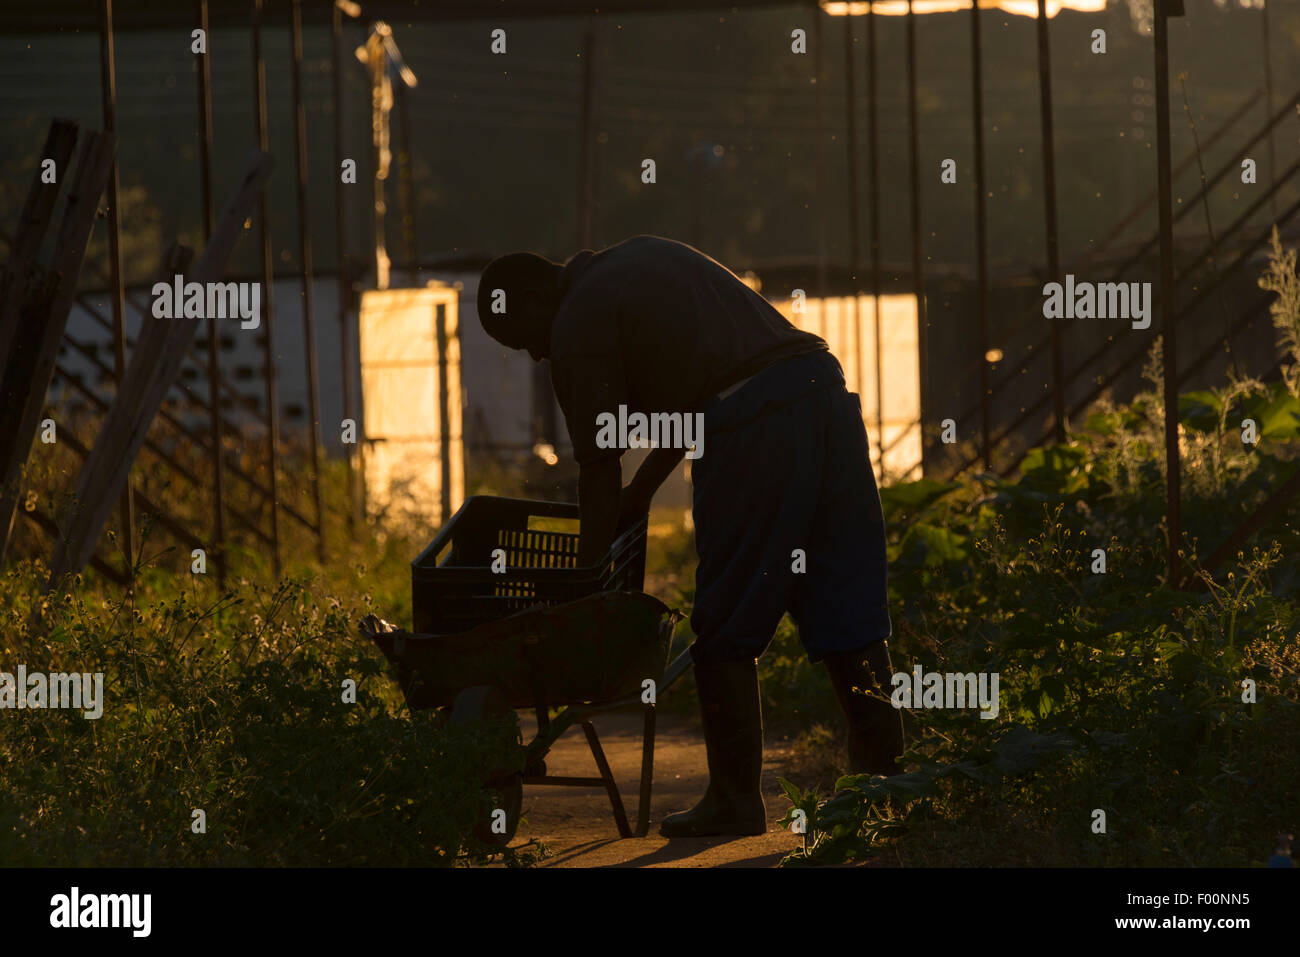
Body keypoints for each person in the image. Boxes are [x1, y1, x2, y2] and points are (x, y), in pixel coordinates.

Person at [477, 235, 904, 837]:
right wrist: (645, 491)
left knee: (726, 619)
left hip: (756, 428)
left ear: (534, 295)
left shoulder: (576, 319)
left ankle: (735, 799)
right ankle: (889, 787)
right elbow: (693, 403)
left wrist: (584, 587)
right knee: (848, 607)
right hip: (822, 396)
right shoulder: (637, 261)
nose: (536, 358)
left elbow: (599, 464)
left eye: (524, 339)